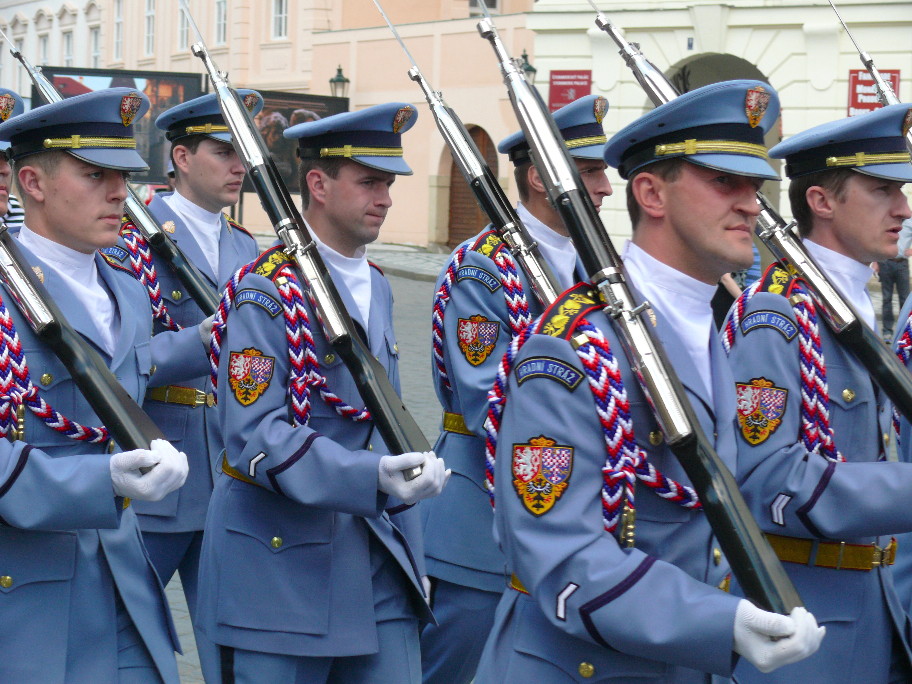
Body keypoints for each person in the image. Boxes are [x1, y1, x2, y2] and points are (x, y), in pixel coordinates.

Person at [475, 80, 824, 682]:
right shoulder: (574, 347)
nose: (750, 203)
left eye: (754, 184)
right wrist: (717, 623)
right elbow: (559, 552)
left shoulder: (711, 324)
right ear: (650, 194)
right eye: (724, 182)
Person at [196, 102, 450, 683]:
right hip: (280, 562)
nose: (384, 198)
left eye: (388, 183)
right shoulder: (265, 292)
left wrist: (412, 540)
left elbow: (377, 417)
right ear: (317, 183)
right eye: (368, 182)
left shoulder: (378, 286)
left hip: (377, 556)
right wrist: (371, 477)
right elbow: (253, 434)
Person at [0, 87, 195, 682]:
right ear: (32, 182)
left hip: (125, 587)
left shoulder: (129, 291)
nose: (119, 193)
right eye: (94, 175)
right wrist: (98, 478)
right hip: (30, 597)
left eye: (124, 174)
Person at [421, 94, 612, 684]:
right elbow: (489, 402)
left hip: (564, 519)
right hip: (479, 522)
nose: (605, 187)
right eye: (589, 171)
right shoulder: (481, 268)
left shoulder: (594, 268)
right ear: (538, 177)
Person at [724, 102, 912, 682]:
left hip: (876, 606)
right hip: (811, 624)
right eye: (882, 190)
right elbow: (768, 479)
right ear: (822, 201)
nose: (903, 208)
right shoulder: (775, 317)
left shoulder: (847, 302)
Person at [106, 90, 263, 683]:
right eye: (223, 151)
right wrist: (198, 339)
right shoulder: (129, 240)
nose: (238, 165)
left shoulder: (245, 245)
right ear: (180, 157)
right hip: (162, 460)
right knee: (132, 633)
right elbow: (124, 360)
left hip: (228, 467)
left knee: (229, 636)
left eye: (241, 152)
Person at [875, 216, 912, 340]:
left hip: (902, 264)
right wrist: (875, 261)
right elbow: (877, 239)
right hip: (885, 263)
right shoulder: (887, 221)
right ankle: (887, 331)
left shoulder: (910, 222)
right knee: (887, 298)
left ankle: (904, 333)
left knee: (905, 300)